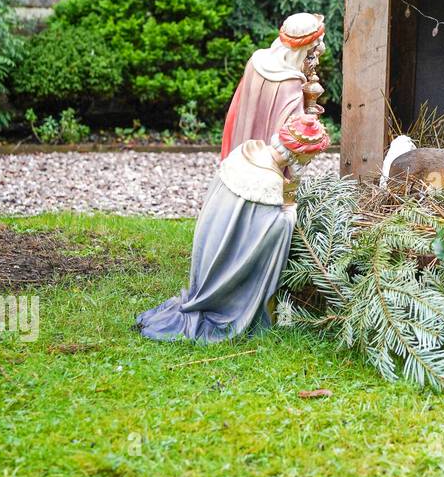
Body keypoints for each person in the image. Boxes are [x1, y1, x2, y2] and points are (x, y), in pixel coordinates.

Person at [137, 113, 330, 343]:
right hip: (227, 262)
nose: (311, 162)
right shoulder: (268, 182)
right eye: (312, 157)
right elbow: (270, 233)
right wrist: (289, 212)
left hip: (210, 241)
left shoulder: (248, 151)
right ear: (299, 154)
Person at [219, 13, 325, 161]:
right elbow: (293, 133)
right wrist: (312, 117)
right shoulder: (291, 81)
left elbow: (236, 110)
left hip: (242, 147)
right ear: (304, 49)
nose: (316, 62)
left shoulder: (257, 61)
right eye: (312, 55)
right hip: (268, 161)